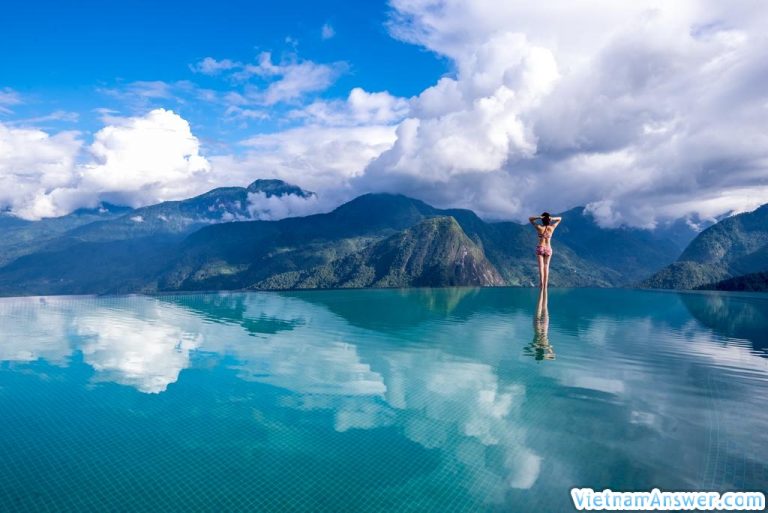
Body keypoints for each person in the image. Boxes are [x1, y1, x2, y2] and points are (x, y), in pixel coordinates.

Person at [528, 212, 562, 289]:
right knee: (546, 266)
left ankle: (541, 283)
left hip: (540, 247)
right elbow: (560, 219)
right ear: (549, 220)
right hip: (548, 248)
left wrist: (539, 217)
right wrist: (552, 218)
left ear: (543, 220)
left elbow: (530, 219)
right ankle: (545, 284)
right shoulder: (552, 228)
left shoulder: (539, 227)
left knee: (541, 267)